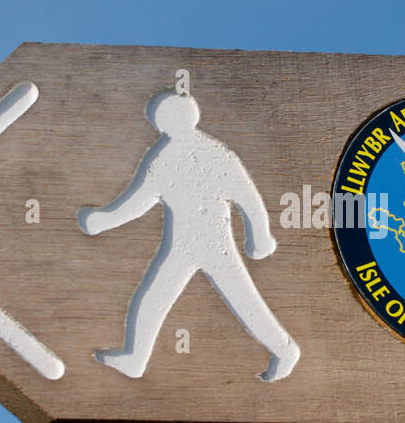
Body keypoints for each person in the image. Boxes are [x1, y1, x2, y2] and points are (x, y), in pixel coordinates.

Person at [77, 89, 300, 381]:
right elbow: (142, 200)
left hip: (212, 243)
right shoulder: (182, 155)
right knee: (155, 297)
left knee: (242, 300)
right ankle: (135, 358)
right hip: (184, 245)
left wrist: (261, 236)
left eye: (159, 116)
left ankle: (286, 350)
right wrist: (104, 220)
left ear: (165, 120)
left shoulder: (197, 154)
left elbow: (246, 197)